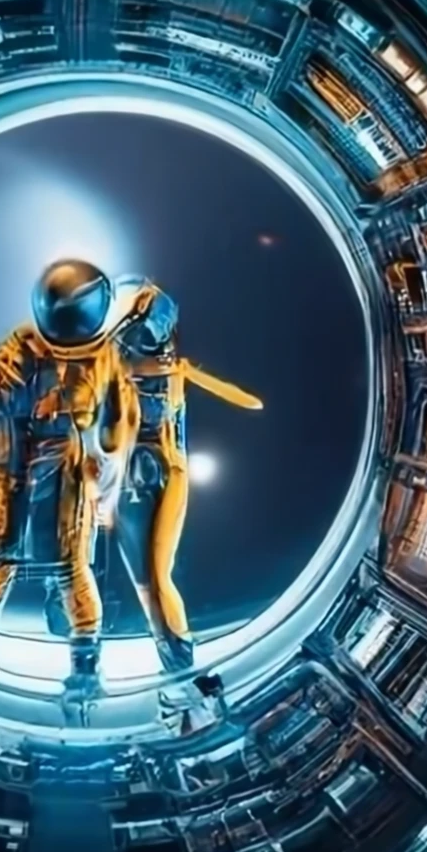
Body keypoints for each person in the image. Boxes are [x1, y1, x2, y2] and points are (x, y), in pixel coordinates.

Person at [0, 259, 142, 697]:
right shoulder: (23, 345)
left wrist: (111, 462)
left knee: (68, 564)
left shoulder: (102, 354)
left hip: (65, 468)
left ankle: (85, 663)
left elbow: (120, 414)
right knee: (2, 554)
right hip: (18, 463)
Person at [112, 275, 263, 672]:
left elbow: (238, 395)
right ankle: (173, 659)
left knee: (159, 575)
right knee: (145, 584)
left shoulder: (172, 367)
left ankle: (181, 658)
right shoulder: (113, 369)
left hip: (168, 473)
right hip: (128, 479)